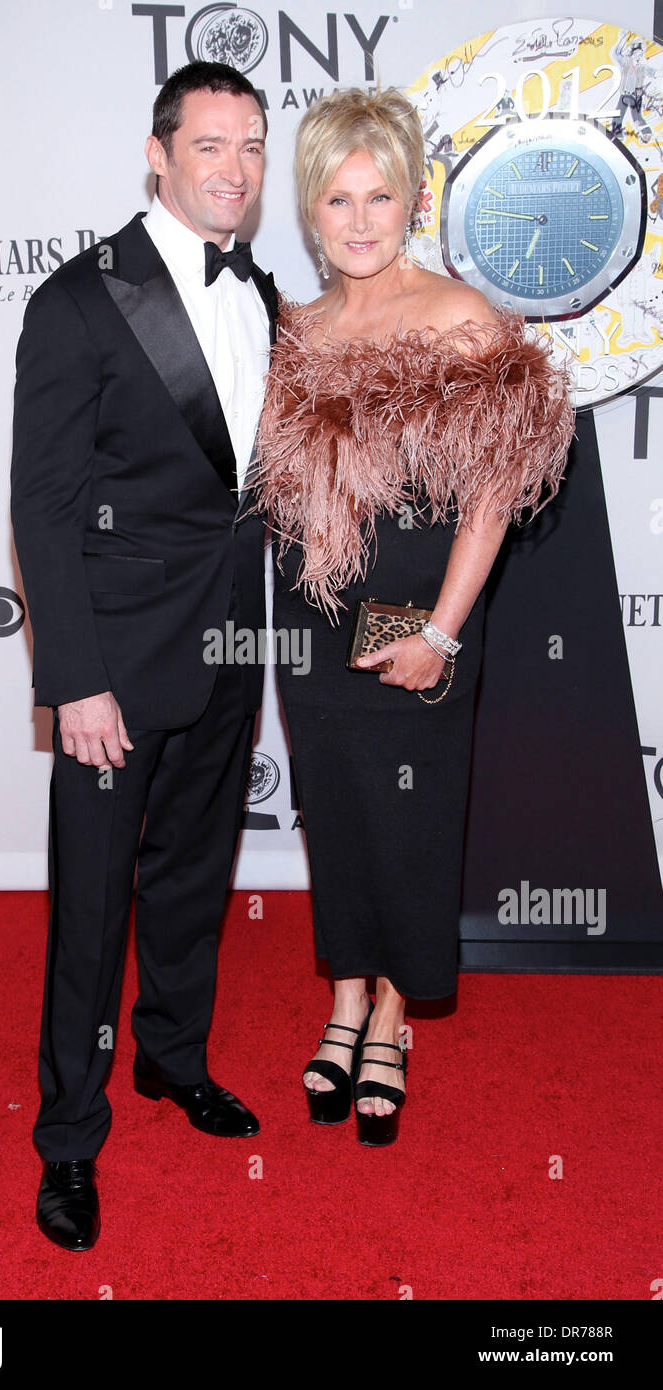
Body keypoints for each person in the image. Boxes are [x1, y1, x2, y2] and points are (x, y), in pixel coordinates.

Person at [253, 87, 575, 1146]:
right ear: (309, 210)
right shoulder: (295, 328)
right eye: (335, 200)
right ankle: (344, 996)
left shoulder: (458, 318)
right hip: (312, 602)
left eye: (377, 196)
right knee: (336, 806)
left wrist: (439, 628)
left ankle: (393, 1015)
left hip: (409, 604)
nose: (356, 220)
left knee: (411, 810)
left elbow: (491, 494)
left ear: (414, 198)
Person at [10, 61, 277, 1250]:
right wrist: (71, 678)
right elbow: (45, 508)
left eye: (253, 147)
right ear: (158, 154)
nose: (233, 169)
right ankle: (69, 1136)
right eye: (210, 145)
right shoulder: (77, 300)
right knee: (89, 913)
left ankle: (172, 1058)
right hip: (112, 670)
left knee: (190, 882)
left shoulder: (260, 290)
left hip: (229, 646)